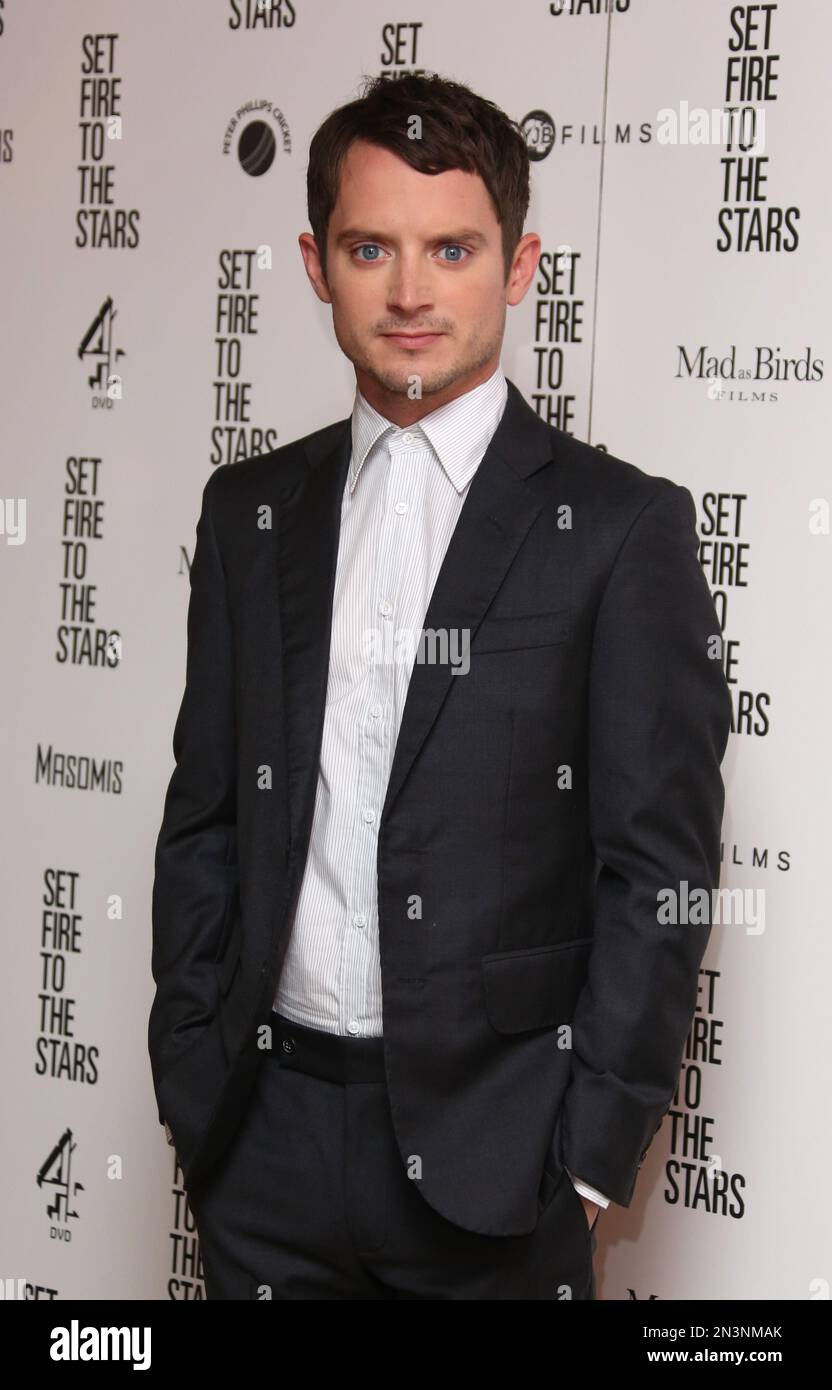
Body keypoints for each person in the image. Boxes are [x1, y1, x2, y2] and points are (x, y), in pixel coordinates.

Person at [148, 72, 732, 1300]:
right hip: (268, 1143)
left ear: (517, 268)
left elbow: (658, 867)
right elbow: (205, 814)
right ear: (317, 263)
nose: (411, 292)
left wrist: (586, 1154)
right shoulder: (247, 514)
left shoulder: (620, 530)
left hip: (500, 1159)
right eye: (372, 247)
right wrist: (195, 1072)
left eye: (452, 248)